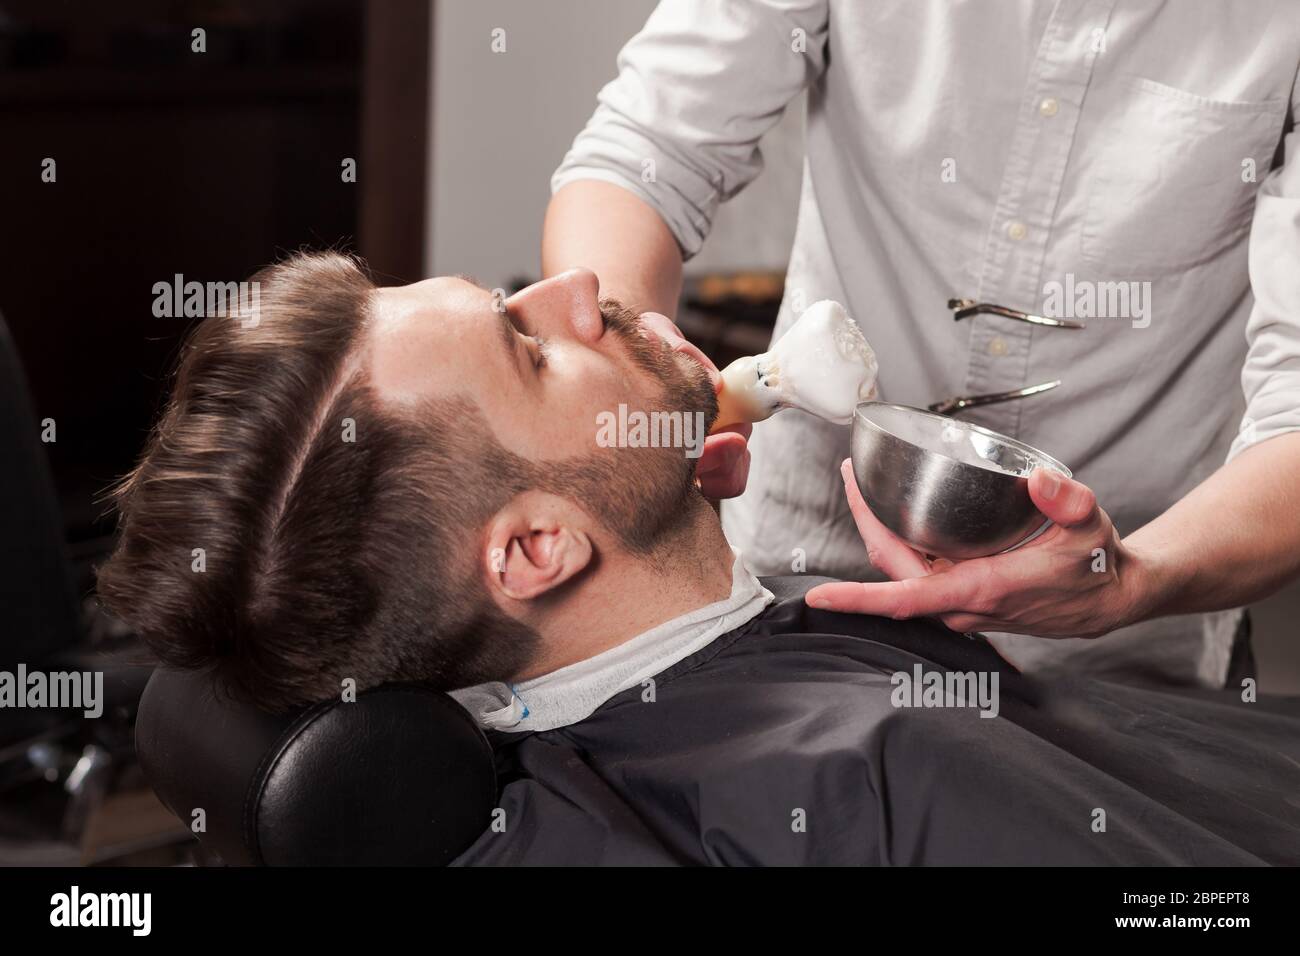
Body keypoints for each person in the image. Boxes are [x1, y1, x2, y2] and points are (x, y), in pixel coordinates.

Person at [97, 252, 1300, 864]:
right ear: (534, 547)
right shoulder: (866, 772)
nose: (575, 287)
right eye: (526, 343)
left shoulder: (718, 693)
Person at [542, 0, 1300, 688]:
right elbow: (645, 153)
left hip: (1125, 647)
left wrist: (1132, 576)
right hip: (793, 579)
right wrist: (630, 369)